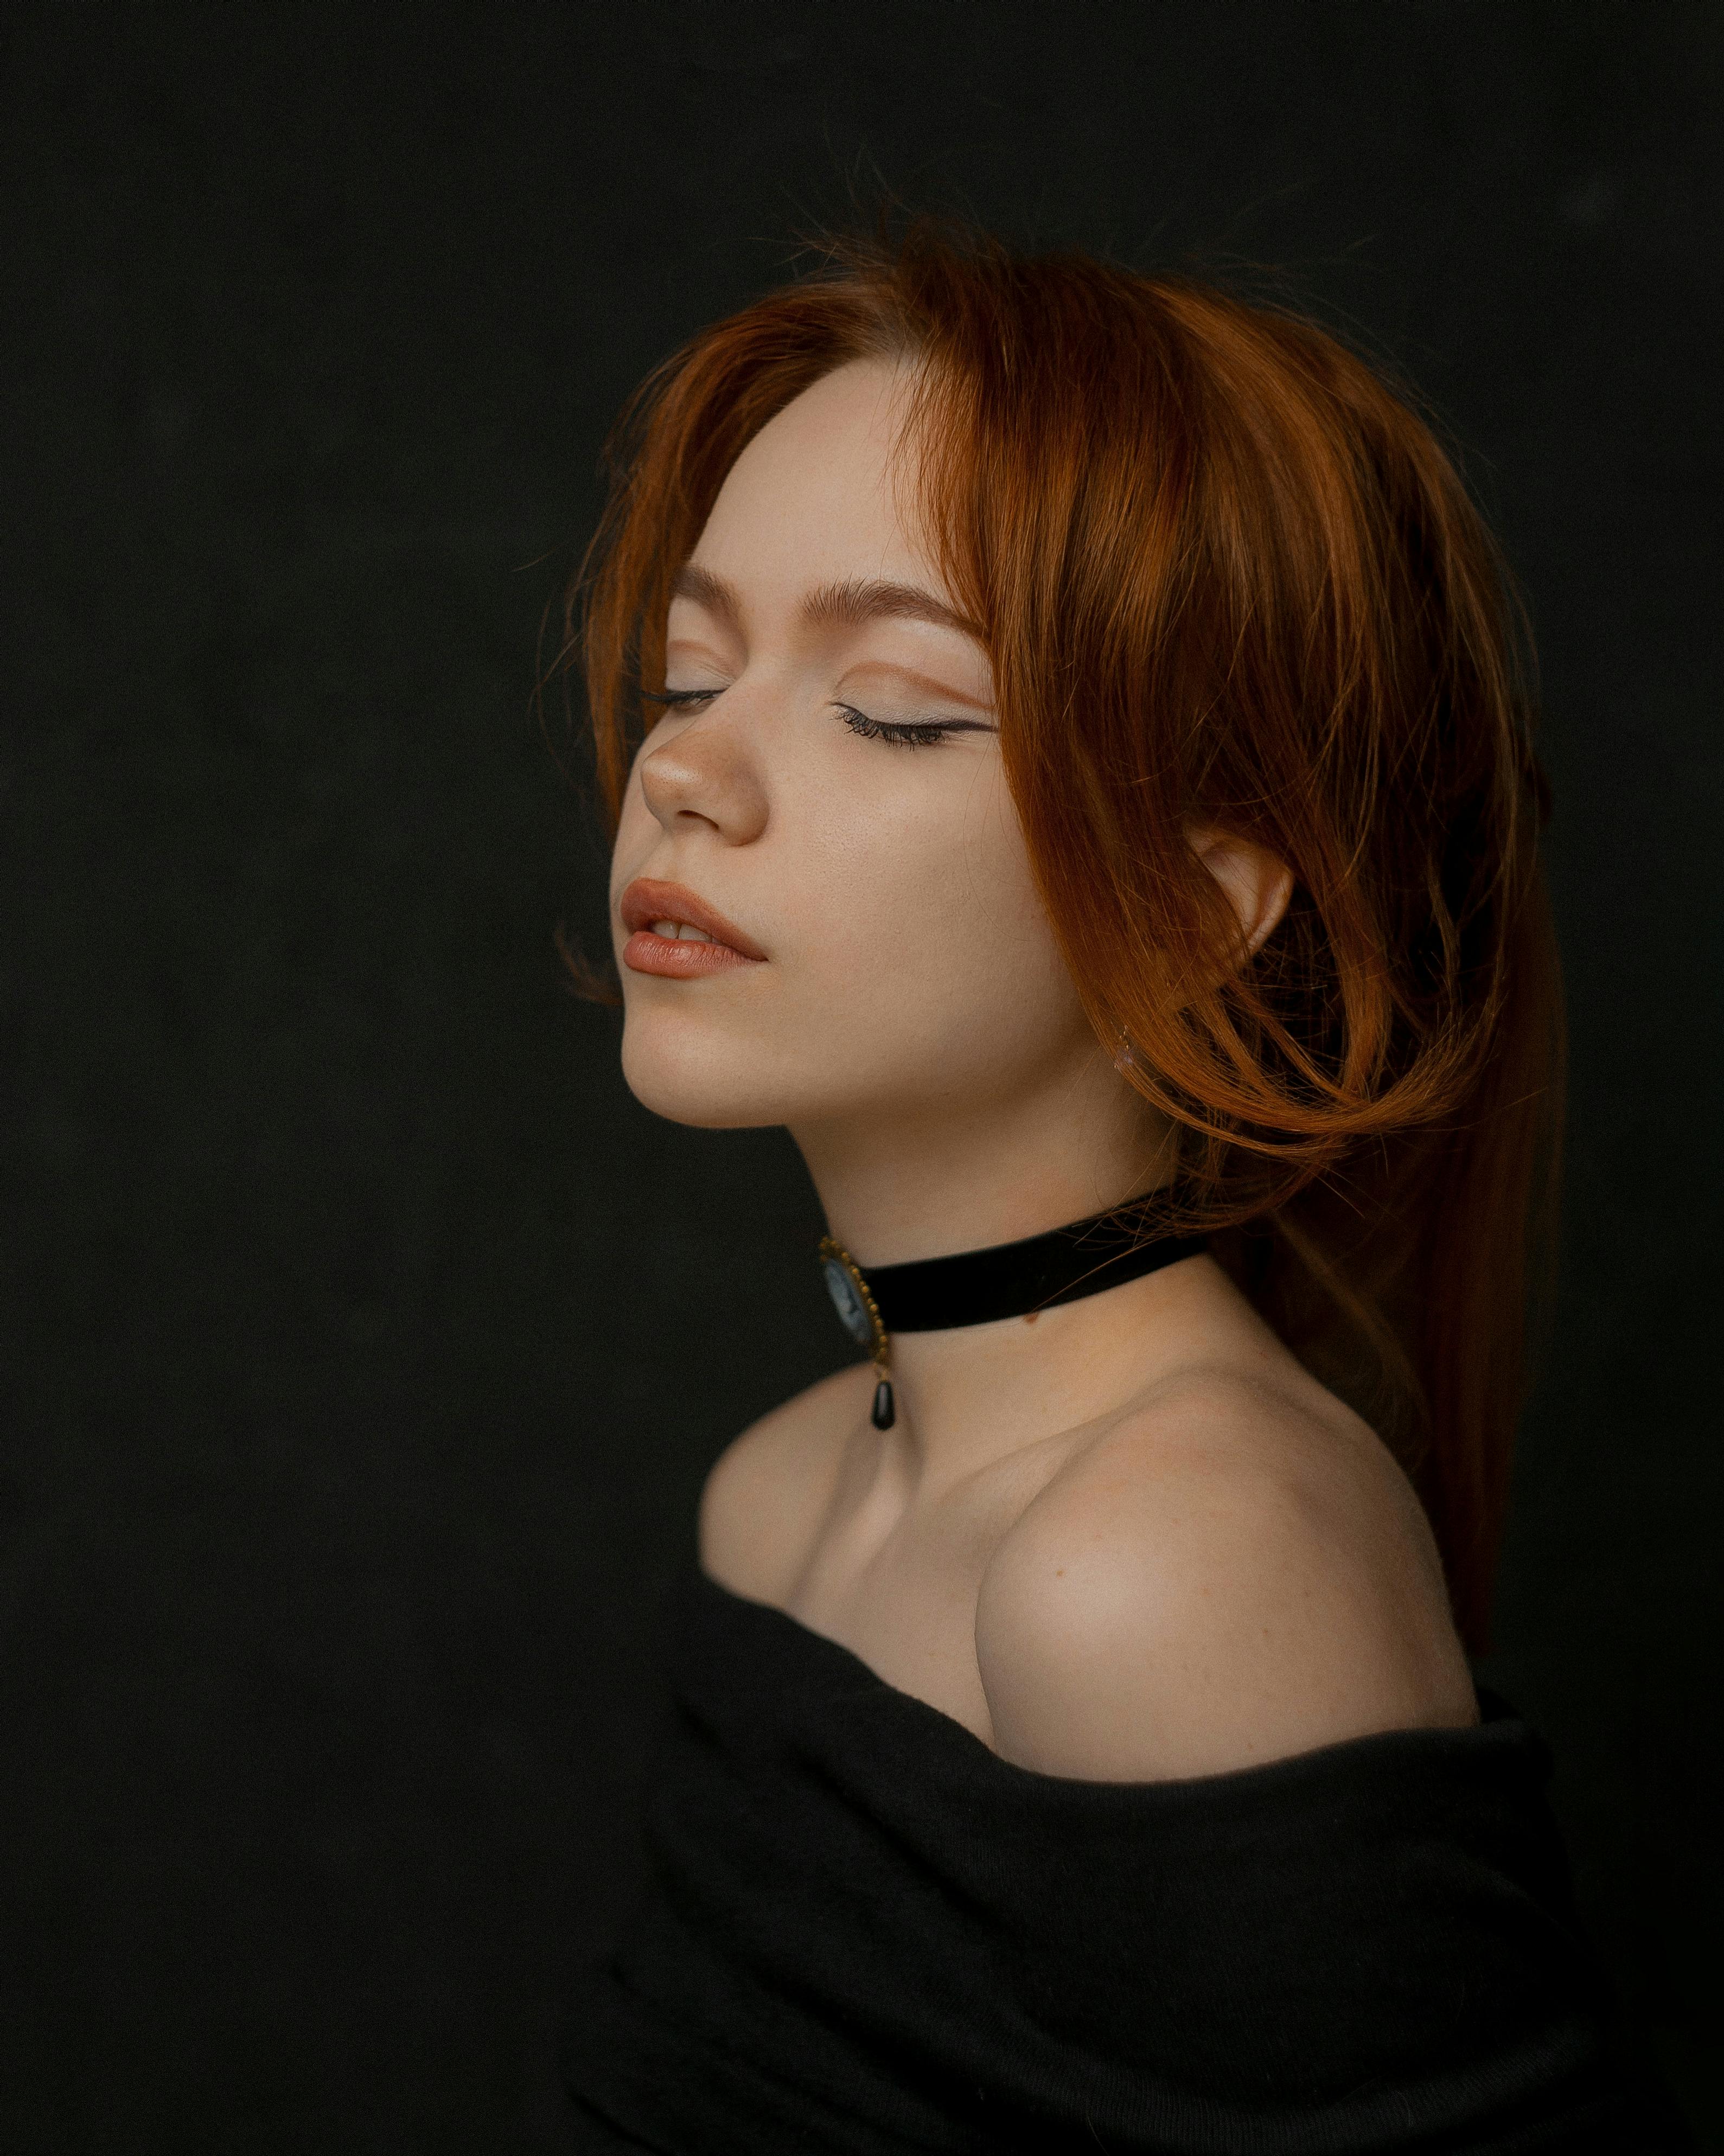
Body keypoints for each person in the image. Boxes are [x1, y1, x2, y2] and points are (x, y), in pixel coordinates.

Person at [557, 223, 1687, 2151]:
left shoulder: (1168, 1577)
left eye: (895, 704)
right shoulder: (777, 1495)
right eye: (688, 673)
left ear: (1202, 903)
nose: (690, 778)